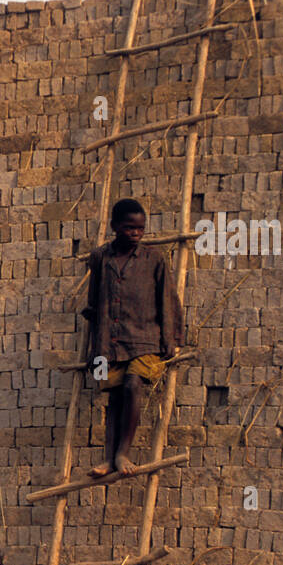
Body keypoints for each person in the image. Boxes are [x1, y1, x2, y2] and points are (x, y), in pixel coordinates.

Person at [81, 198, 183, 478]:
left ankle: (123, 452)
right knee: (113, 396)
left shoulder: (154, 259)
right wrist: (94, 350)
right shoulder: (101, 257)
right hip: (108, 344)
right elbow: (94, 303)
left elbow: (168, 299)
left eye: (140, 229)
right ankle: (109, 458)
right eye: (129, 228)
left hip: (146, 339)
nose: (135, 234)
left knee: (132, 385)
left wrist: (172, 338)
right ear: (114, 227)